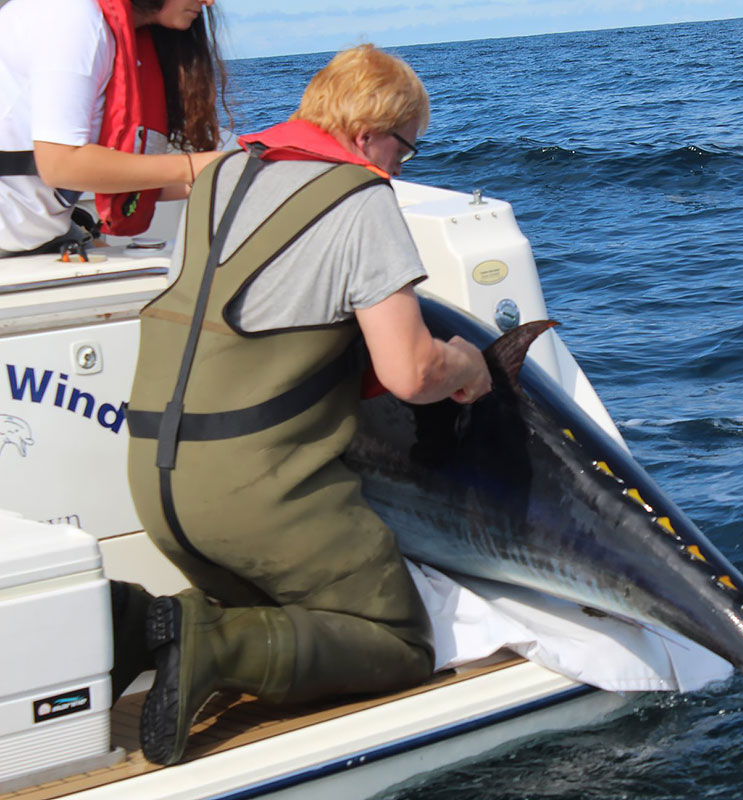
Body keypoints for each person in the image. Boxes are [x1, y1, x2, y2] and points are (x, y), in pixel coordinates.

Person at [124, 44, 493, 766]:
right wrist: (467, 365)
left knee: (284, 597)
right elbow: (411, 370)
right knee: (396, 642)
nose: (398, 167)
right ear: (367, 137)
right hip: (255, 498)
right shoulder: (360, 198)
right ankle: (216, 641)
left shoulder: (223, 173)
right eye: (403, 148)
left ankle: (149, 620)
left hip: (157, 483)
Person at [0, 0, 228, 256]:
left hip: (35, 236)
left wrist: (231, 167)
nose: (209, 1)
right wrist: (195, 165)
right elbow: (59, 165)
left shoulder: (108, 29)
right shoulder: (72, 15)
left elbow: (127, 176)